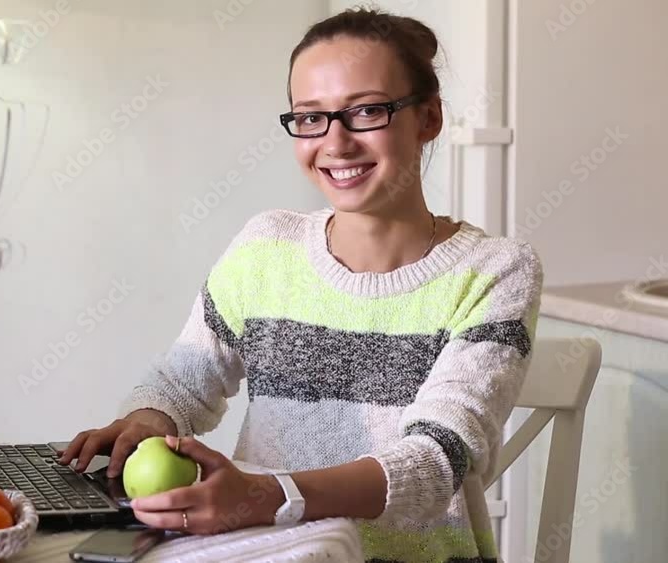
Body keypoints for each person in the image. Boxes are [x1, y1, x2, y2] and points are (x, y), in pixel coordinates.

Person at [58, 7, 542, 563]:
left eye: (366, 111)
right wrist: (145, 422)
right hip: (270, 553)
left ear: (428, 117)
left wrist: (268, 495)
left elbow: (437, 462)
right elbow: (182, 382)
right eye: (311, 118)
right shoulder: (267, 246)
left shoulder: (497, 269)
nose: (335, 143)